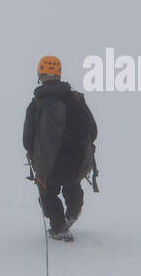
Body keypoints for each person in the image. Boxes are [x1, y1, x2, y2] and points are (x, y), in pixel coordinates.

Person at [23, 55, 98, 241]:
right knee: (73, 185)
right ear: (59, 74)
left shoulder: (36, 105)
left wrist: (36, 154)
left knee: (48, 192)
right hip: (76, 162)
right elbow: (93, 131)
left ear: (40, 74)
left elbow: (27, 139)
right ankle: (72, 213)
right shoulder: (76, 99)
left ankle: (58, 227)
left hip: (47, 165)